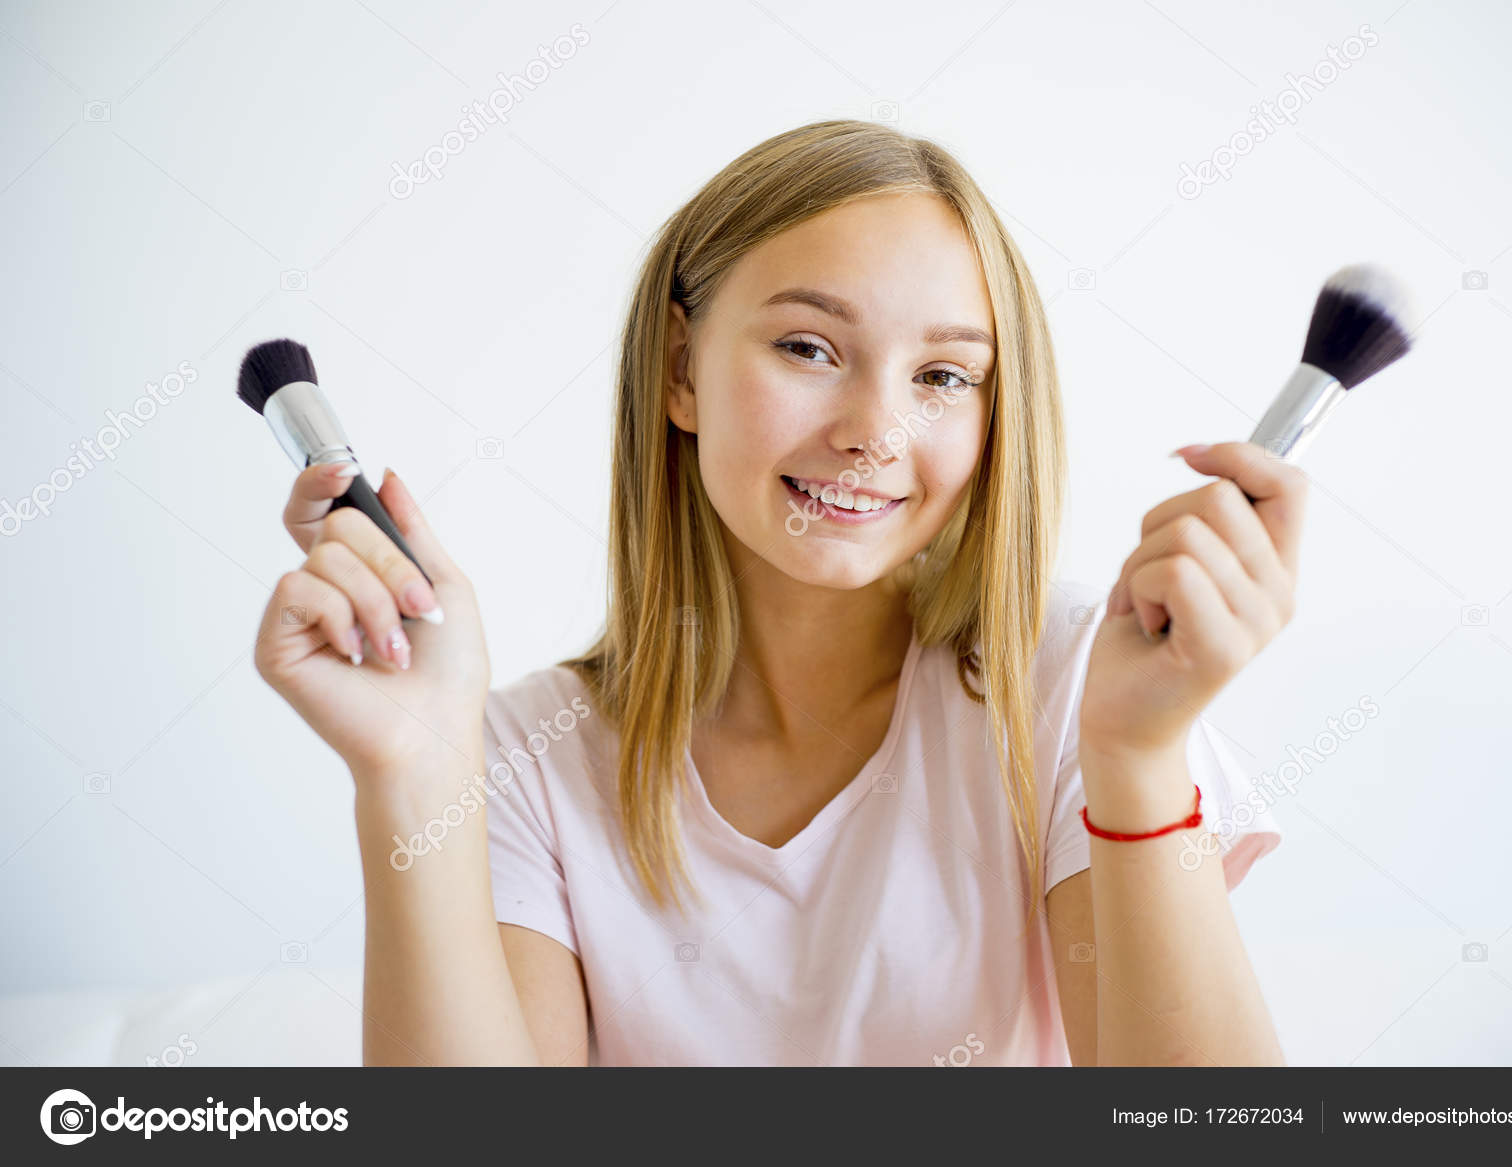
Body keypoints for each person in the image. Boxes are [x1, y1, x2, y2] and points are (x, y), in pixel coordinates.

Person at [254, 119, 1302, 1066]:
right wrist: (415, 774)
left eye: (941, 377)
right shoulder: (527, 766)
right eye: (808, 348)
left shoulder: (1075, 682)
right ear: (679, 370)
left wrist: (1137, 756)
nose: (874, 432)